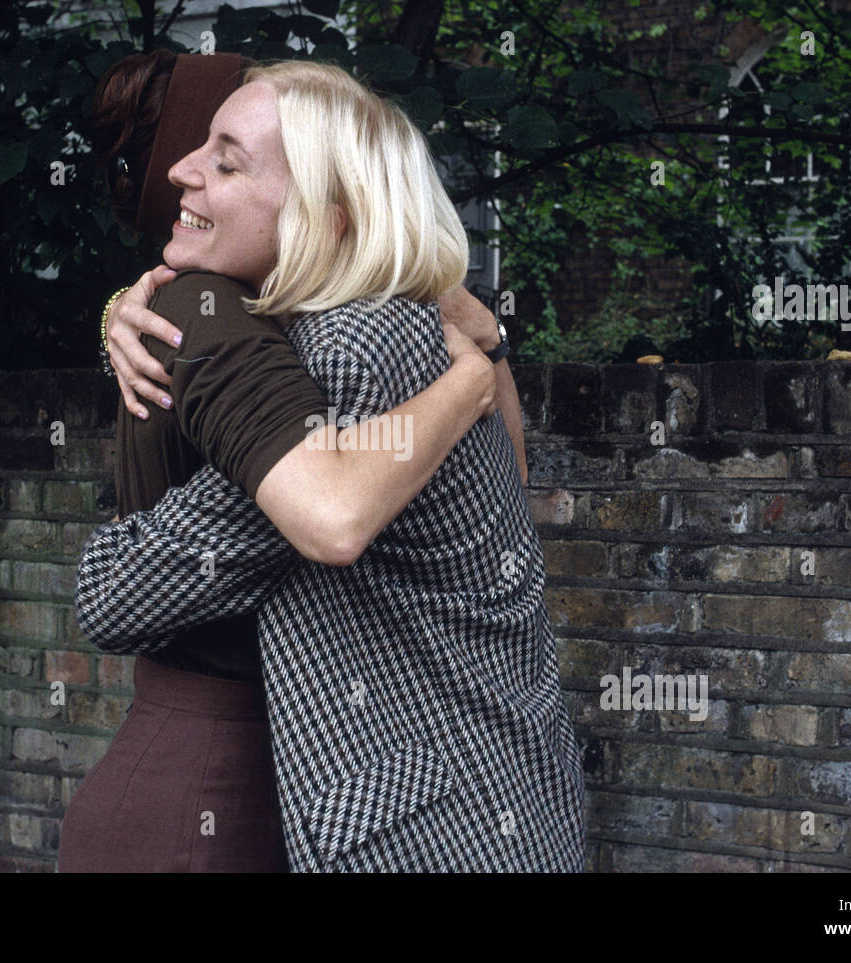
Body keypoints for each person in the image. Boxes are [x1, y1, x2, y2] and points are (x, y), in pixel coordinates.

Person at [74, 58, 586, 871]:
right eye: (198, 148)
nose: (185, 171)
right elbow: (505, 499)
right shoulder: (398, 322)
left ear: (328, 213)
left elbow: (124, 594)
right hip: (511, 800)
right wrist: (476, 367)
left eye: (228, 159)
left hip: (419, 826)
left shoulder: (345, 350)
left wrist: (471, 377)